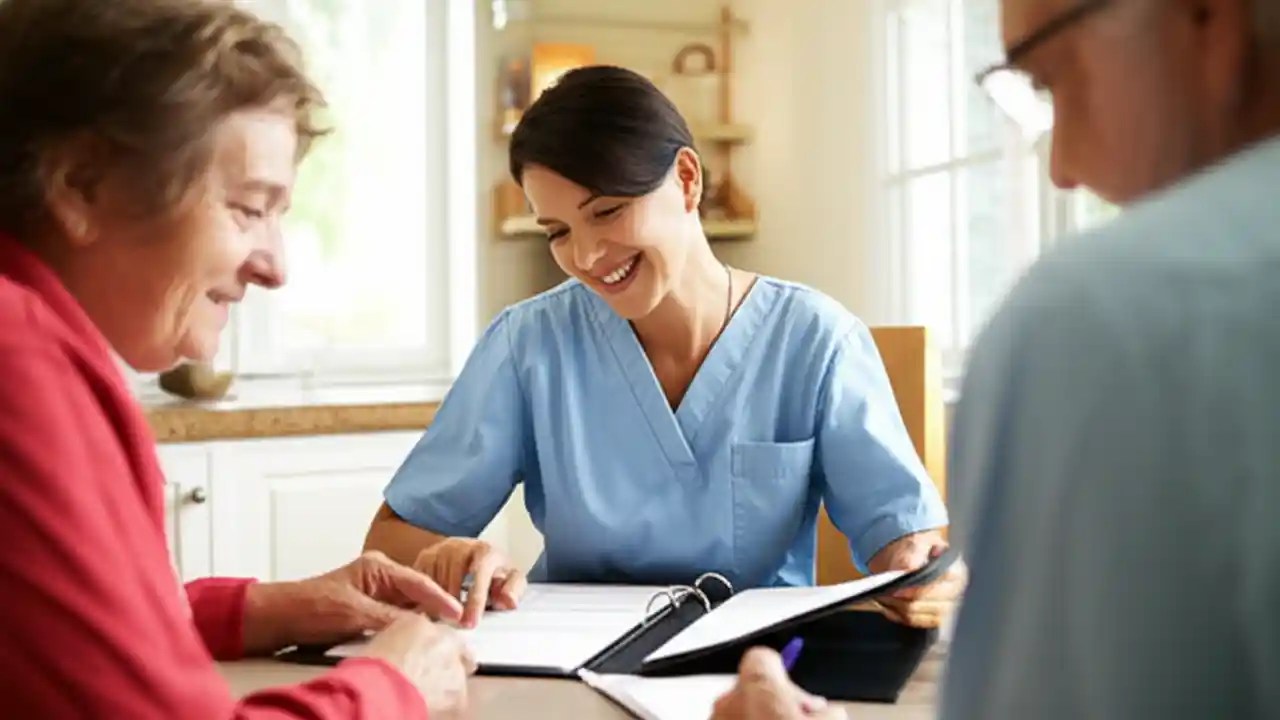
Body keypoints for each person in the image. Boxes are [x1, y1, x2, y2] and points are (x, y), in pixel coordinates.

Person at [714, 0, 1280, 717]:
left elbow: (913, 551)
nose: (1063, 172)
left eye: (1051, 81)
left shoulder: (1102, 321)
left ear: (1208, 18)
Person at [364, 64, 967, 630]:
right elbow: (391, 541)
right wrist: (451, 554)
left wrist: (916, 568)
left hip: (760, 674)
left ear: (686, 179)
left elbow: (905, 540)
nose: (586, 257)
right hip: (571, 671)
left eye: (607, 211)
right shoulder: (528, 346)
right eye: (558, 232)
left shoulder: (816, 339)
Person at [0, 0, 475, 717]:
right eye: (250, 207)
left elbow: (57, 645)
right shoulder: (17, 360)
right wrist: (391, 686)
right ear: (81, 186)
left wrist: (267, 608)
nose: (275, 267)